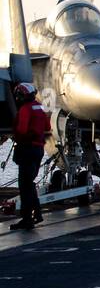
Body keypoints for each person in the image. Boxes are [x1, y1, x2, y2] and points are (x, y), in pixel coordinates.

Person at [9, 83, 49, 230]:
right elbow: (48, 127)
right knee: (29, 183)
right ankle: (36, 214)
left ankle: (28, 218)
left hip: (27, 149)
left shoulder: (25, 109)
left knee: (24, 186)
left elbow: (22, 130)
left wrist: (16, 135)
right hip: (38, 149)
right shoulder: (39, 106)